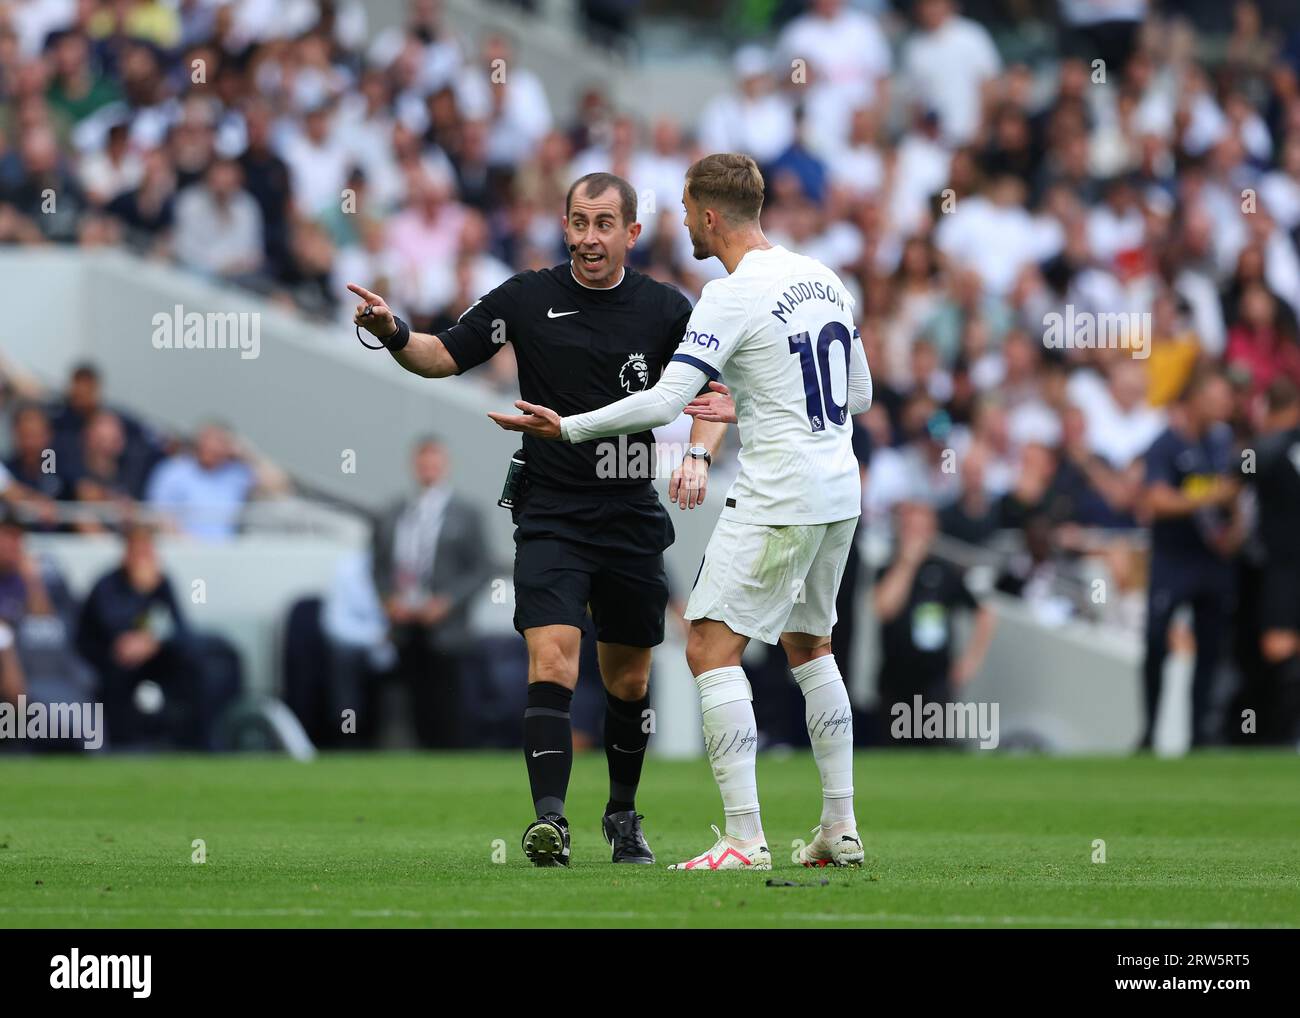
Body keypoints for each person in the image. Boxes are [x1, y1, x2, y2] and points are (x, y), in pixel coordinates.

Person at [490, 154, 871, 870]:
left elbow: (667, 402)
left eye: (688, 210)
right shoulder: (825, 279)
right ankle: (839, 827)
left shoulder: (730, 293)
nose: (685, 223)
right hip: (839, 487)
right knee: (810, 646)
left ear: (708, 214)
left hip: (780, 491)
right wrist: (752, 402)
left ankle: (743, 838)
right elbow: (860, 395)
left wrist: (568, 427)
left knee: (707, 646)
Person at [349, 171, 727, 866]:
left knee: (629, 682)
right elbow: (442, 356)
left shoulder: (666, 309)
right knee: (552, 655)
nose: (589, 237)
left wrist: (699, 458)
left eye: (604, 224)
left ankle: (622, 814)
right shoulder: (527, 297)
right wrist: (393, 328)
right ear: (564, 226)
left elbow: (713, 398)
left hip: (629, 513)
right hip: (551, 509)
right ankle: (549, 822)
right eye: (579, 223)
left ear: (632, 233)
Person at [1139, 368, 1244, 750]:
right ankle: (1150, 731)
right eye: (1215, 399)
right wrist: (1206, 498)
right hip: (1174, 559)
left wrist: (1236, 529)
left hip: (1213, 560)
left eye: (1226, 400)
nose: (1223, 407)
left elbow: (1237, 494)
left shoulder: (1225, 444)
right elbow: (1155, 499)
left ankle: (1199, 735)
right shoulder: (1165, 445)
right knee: (1155, 642)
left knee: (1211, 648)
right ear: (1195, 400)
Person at [372, 436, 492, 748]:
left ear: (445, 465)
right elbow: (378, 565)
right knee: (414, 696)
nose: (428, 468)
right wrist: (389, 599)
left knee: (447, 698)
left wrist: (447, 602)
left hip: (447, 627)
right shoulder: (394, 511)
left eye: (434, 461)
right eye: (423, 461)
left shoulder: (466, 513)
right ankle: (420, 751)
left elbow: (480, 568)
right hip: (404, 621)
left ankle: (452, 754)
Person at [874, 501, 996, 738]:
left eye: (922, 529)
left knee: (935, 749)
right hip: (895, 678)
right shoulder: (888, 569)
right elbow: (884, 609)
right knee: (893, 751)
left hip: (936, 681)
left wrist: (969, 663)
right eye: (910, 529)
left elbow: (985, 613)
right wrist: (907, 563)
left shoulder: (945, 572)